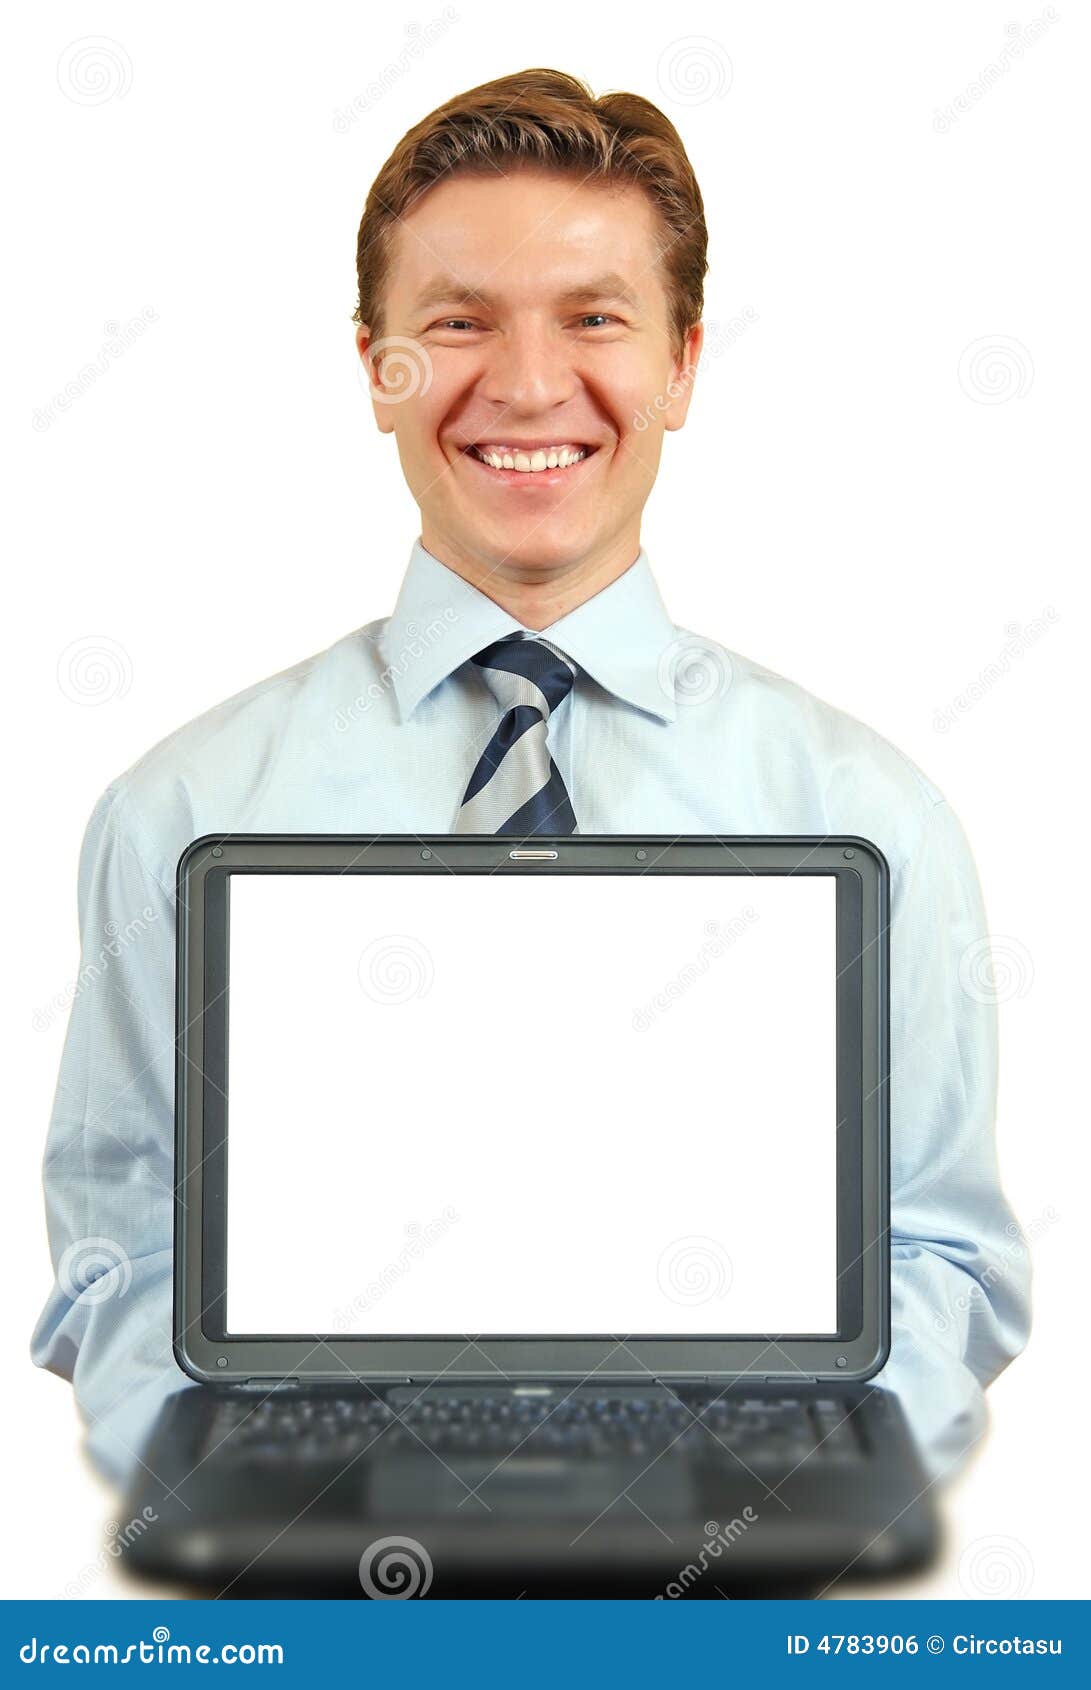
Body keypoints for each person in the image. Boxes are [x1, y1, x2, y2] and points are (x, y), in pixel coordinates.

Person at [33, 67, 1029, 1488]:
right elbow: (117, 1256)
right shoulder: (182, 811)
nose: (528, 385)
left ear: (682, 363)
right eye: (458, 323)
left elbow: (944, 1257)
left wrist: (742, 1497)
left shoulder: (864, 814)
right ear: (375, 364)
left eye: (594, 320)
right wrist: (273, 1487)